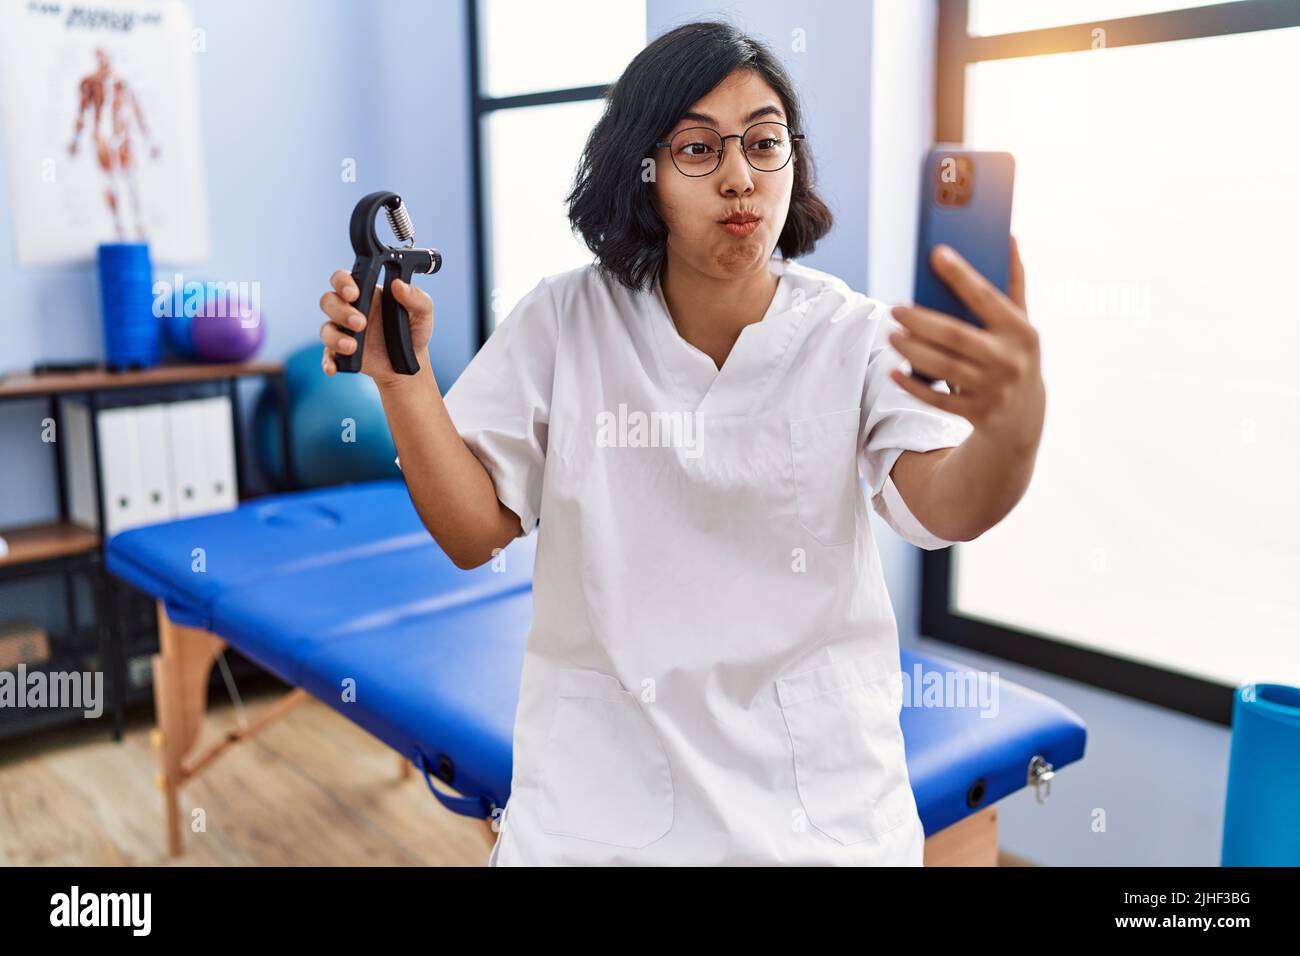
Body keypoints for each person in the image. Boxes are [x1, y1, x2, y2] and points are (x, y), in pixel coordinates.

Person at [317, 21, 1045, 865]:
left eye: (764, 144)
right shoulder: (564, 321)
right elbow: (471, 532)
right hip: (602, 810)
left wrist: (1012, 425)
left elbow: (947, 505)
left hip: (822, 815)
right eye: (699, 149)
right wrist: (402, 381)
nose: (740, 177)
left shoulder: (855, 336)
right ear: (645, 171)